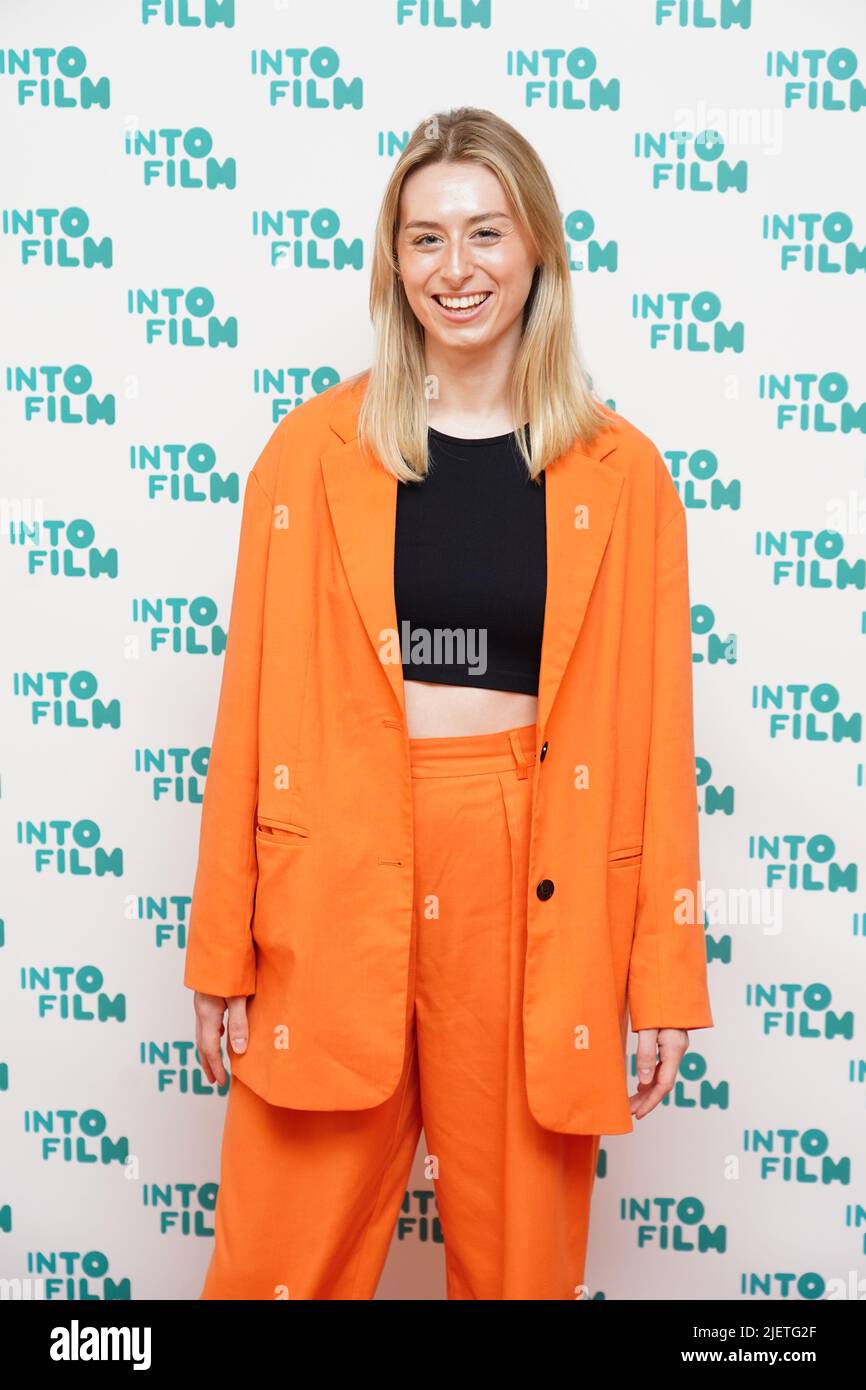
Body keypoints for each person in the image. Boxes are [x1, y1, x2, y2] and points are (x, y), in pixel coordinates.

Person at [184, 106, 714, 1301]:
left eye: (484, 233)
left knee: (520, 1267)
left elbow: (652, 740)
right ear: (393, 260)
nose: (454, 268)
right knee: (280, 1265)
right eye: (423, 239)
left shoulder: (622, 477)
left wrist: (661, 974)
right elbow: (249, 713)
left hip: (533, 872)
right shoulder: (307, 455)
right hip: (332, 870)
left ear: (537, 251)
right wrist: (222, 948)